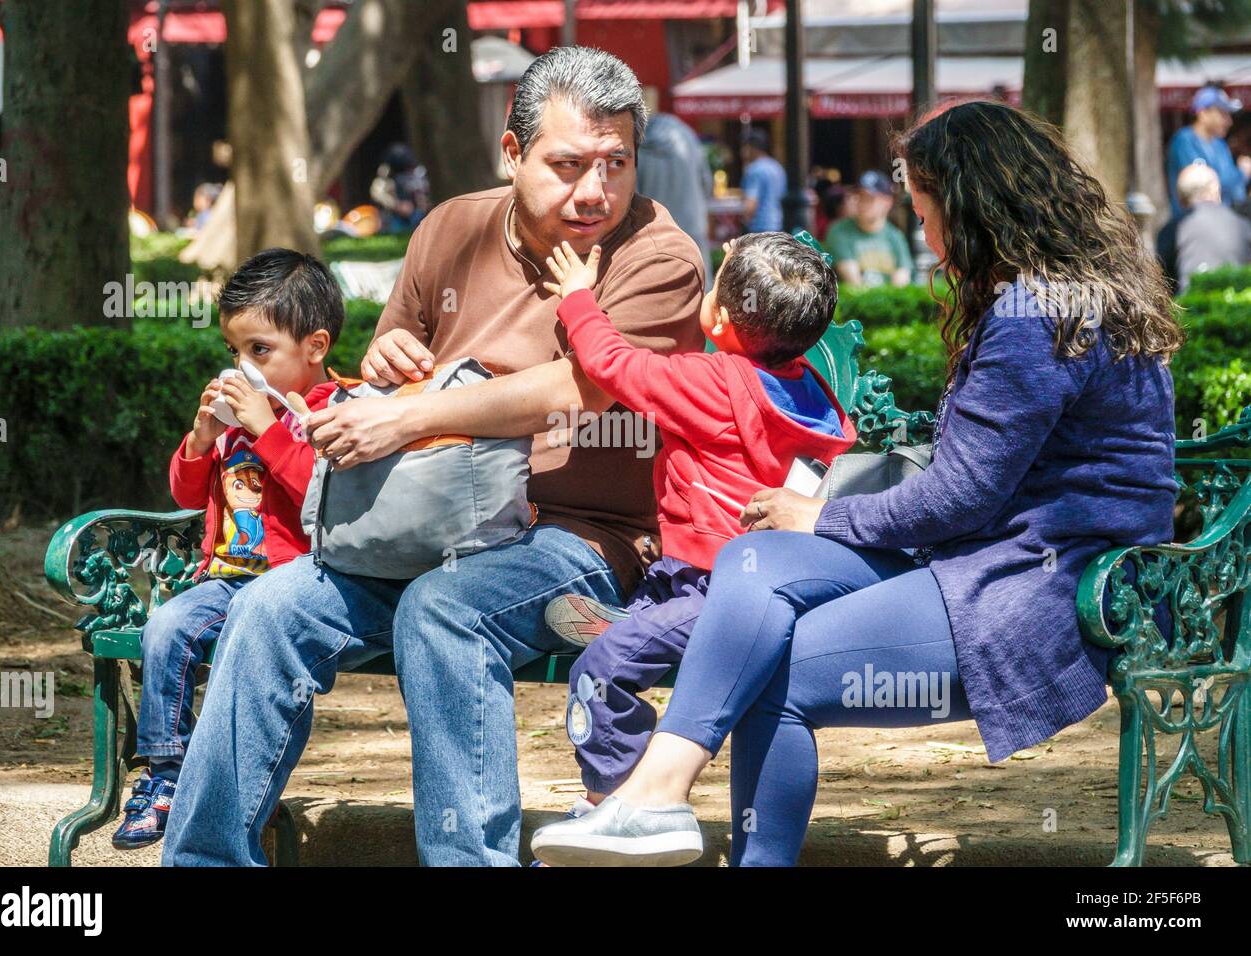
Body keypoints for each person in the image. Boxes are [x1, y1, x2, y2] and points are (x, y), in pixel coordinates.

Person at [530, 99, 1184, 866]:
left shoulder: (1032, 315)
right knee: (749, 557)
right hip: (998, 557)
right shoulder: (1065, 296)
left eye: (926, 210)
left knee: (773, 669)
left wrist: (825, 516)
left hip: (1044, 591)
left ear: (971, 206)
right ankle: (659, 800)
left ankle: (667, 804)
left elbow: (961, 497)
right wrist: (818, 518)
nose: (925, 234)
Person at [160, 45, 705, 867]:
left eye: (616, 163)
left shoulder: (658, 258)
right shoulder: (451, 228)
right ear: (512, 153)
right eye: (567, 164)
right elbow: (389, 357)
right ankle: (201, 860)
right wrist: (390, 371)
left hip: (579, 540)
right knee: (269, 609)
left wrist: (416, 417)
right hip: (422, 525)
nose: (595, 190)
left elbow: (585, 387)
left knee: (445, 610)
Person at [535, 233, 854, 827]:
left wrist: (578, 299)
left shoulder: (714, 384)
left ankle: (613, 803)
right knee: (650, 610)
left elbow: (615, 366)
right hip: (730, 576)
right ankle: (640, 619)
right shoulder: (808, 389)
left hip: (717, 590)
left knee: (598, 673)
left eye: (715, 282)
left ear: (722, 319)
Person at [112, 249, 342, 849]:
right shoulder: (235, 420)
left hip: (294, 583)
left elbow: (325, 493)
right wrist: (200, 439)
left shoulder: (332, 410)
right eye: (233, 352)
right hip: (227, 575)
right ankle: (166, 773)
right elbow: (188, 491)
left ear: (314, 347)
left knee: (253, 646)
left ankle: (239, 795)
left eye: (259, 350)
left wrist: (270, 429)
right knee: (167, 625)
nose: (242, 366)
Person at [637, 111, 714, 285]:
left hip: (654, 232)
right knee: (699, 286)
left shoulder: (640, 146)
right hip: (692, 226)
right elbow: (707, 184)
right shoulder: (688, 138)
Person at [1156, 161, 1251, 294]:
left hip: (1190, 307)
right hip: (1237, 307)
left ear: (1180, 199)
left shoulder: (1171, 229)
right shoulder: (1241, 224)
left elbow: (1163, 281)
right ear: (1215, 191)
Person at [1166, 86, 1247, 218]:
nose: (1229, 122)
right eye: (1223, 114)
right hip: (1190, 224)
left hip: (1221, 221)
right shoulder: (1184, 141)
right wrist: (1242, 173)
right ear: (1203, 113)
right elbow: (1202, 185)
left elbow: (1236, 194)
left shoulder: (1220, 144)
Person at [824, 170, 913, 288]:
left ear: (887, 202)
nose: (861, 202)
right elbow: (854, 283)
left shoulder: (895, 236)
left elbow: (902, 281)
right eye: (859, 196)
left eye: (869, 198)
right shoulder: (839, 231)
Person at [740, 127, 786, 234]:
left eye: (745, 147)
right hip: (778, 225)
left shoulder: (754, 169)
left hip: (760, 228)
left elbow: (751, 203)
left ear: (752, 148)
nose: (742, 152)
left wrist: (744, 223)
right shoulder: (777, 167)